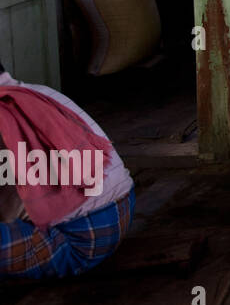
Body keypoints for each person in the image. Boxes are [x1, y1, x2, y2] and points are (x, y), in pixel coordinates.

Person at [0, 58, 134, 280]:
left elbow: (7, 213)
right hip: (124, 207)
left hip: (82, 238)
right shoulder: (36, 92)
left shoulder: (5, 116)